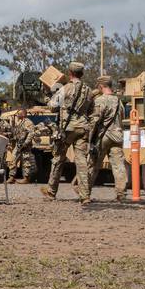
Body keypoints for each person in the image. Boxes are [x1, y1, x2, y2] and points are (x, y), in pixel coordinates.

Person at [41, 62, 95, 203]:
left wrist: (47, 94)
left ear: (70, 73)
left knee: (58, 159)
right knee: (82, 161)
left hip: (67, 130)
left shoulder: (65, 89)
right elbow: (91, 111)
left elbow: (52, 107)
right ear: (81, 74)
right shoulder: (88, 90)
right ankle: (85, 196)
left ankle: (51, 192)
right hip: (83, 128)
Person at [90, 76, 128, 201]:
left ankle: (84, 190)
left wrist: (90, 138)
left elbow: (95, 120)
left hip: (103, 137)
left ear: (101, 87)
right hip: (117, 136)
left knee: (93, 164)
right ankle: (121, 193)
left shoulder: (100, 100)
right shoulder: (119, 101)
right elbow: (122, 117)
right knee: (119, 166)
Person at [7, 108, 37, 183]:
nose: (17, 115)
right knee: (13, 159)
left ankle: (26, 178)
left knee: (26, 161)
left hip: (25, 146)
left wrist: (25, 143)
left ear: (23, 114)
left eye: (18, 113)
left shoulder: (28, 123)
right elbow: (15, 132)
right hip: (18, 144)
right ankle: (11, 177)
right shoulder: (19, 122)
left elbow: (31, 134)